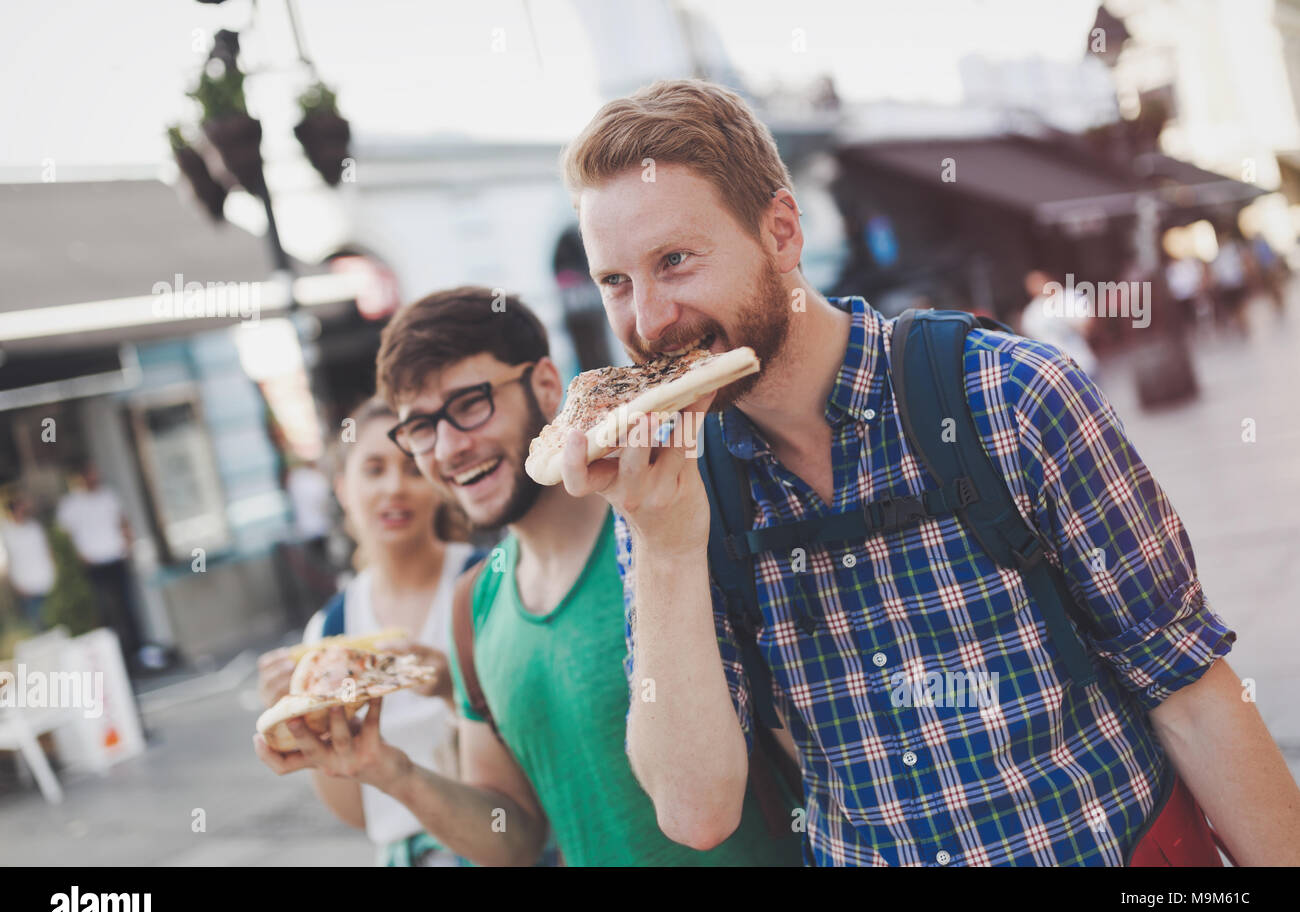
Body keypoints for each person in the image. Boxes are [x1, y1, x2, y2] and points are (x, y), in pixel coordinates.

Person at [555, 78, 1300, 865]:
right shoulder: (666, 486)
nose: (647, 321)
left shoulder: (1011, 395)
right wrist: (667, 545)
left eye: (675, 261)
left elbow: (1192, 695)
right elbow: (694, 810)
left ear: (780, 232)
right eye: (615, 282)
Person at [255, 286, 802, 867]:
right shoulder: (473, 608)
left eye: (469, 404)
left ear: (545, 384)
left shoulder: (677, 522)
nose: (448, 447)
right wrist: (389, 771)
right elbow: (513, 837)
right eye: (419, 428)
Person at [257, 398, 478, 866]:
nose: (394, 488)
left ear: (437, 481)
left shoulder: (485, 584)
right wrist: (304, 733)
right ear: (342, 488)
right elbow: (357, 811)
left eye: (412, 469)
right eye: (374, 469)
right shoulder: (329, 628)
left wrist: (452, 689)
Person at [56, 464, 148, 675]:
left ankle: (136, 654)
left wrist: (128, 542)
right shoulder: (71, 504)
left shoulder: (108, 495)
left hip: (116, 557)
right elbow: (66, 536)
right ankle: (114, 660)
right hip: (94, 563)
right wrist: (80, 555)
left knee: (127, 606)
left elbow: (122, 520)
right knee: (105, 610)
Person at [1, 496, 56, 629]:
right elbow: (7, 563)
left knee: (55, 620)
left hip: (46, 581)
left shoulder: (34, 528)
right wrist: (16, 584)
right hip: (26, 587)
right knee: (37, 624)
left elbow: (47, 551)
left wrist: (54, 572)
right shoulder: (6, 534)